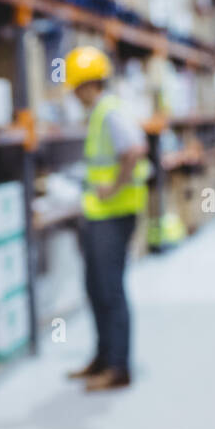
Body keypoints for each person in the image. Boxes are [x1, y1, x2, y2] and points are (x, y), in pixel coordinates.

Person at [62, 45, 150, 391]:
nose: (74, 95)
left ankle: (118, 368)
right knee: (96, 288)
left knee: (110, 290)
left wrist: (112, 188)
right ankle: (102, 357)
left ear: (87, 85)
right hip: (101, 215)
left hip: (114, 215)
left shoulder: (110, 111)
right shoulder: (101, 111)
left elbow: (134, 149)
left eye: (75, 87)